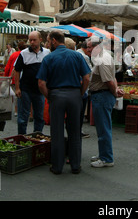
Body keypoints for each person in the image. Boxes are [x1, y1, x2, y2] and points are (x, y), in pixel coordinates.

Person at [37, 30, 91, 175]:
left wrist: (49, 96)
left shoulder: (49, 58)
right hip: (74, 95)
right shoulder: (76, 56)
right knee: (75, 132)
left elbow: (41, 83)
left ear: (54, 41)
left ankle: (57, 166)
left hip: (56, 95)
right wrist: (79, 93)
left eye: (48, 41)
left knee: (57, 132)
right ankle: (75, 165)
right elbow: (86, 78)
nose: (47, 44)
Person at [87, 37, 124, 168]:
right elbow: (112, 77)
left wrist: (114, 92)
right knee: (103, 127)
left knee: (103, 128)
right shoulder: (105, 56)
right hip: (102, 95)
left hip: (102, 95)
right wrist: (116, 89)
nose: (88, 49)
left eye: (90, 46)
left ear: (98, 47)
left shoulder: (103, 59)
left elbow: (109, 80)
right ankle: (103, 154)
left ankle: (107, 158)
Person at [13, 31, 50, 135]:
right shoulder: (24, 53)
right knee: (23, 117)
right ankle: (21, 138)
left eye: (34, 40)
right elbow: (17, 70)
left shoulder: (47, 52)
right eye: (30, 40)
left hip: (39, 91)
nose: (32, 42)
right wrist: (17, 88)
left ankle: (36, 137)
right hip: (25, 90)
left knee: (39, 116)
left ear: (40, 40)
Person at [76, 40, 92, 138]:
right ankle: (79, 131)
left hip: (75, 86)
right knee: (80, 111)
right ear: (86, 48)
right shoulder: (84, 57)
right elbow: (88, 74)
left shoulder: (76, 53)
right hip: (82, 87)